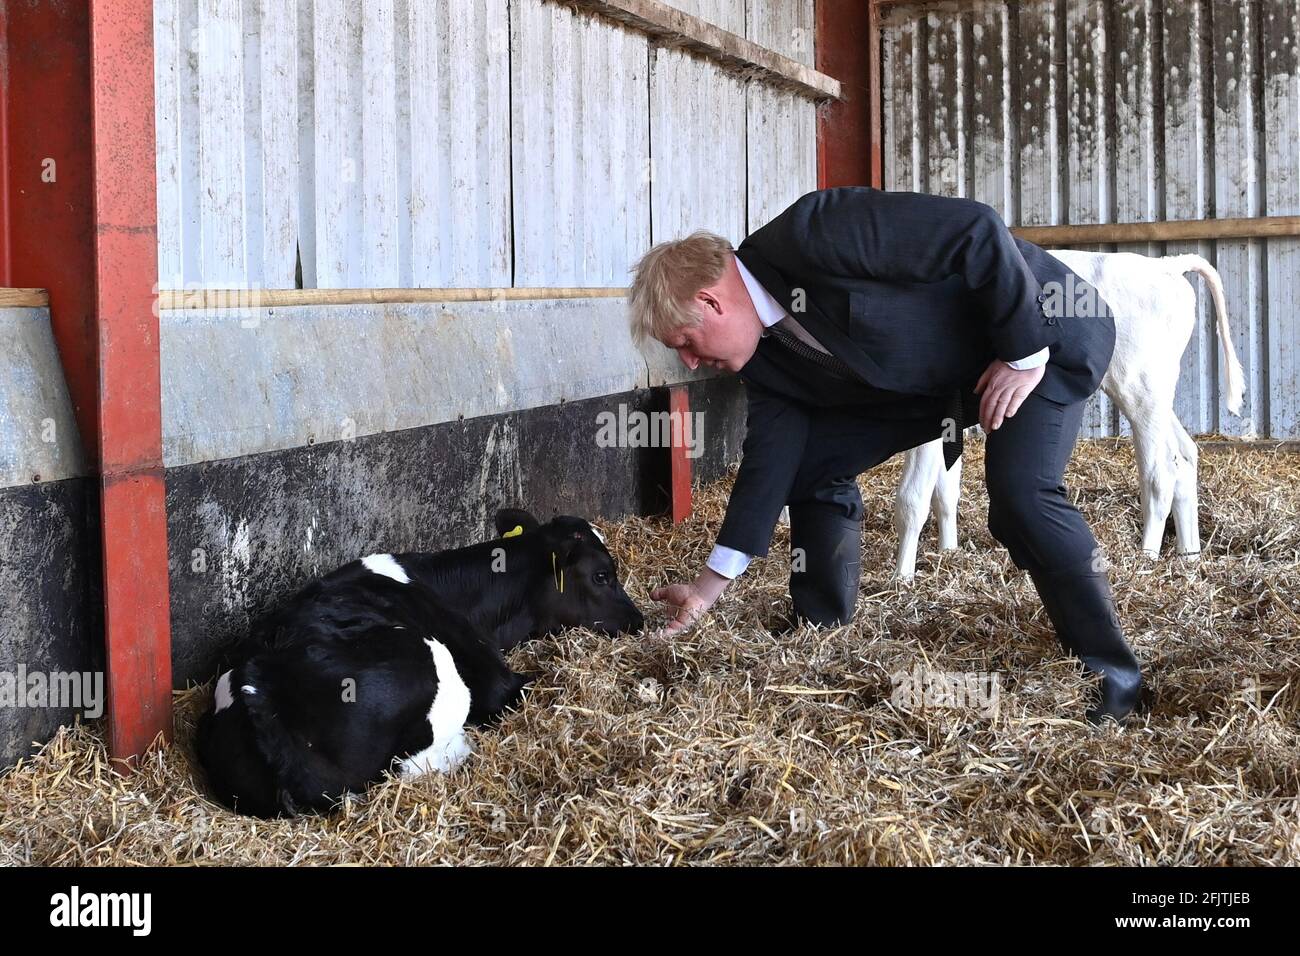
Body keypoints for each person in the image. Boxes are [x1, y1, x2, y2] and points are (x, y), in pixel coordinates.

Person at [627, 187, 1141, 723]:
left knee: (1020, 500)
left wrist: (1022, 352)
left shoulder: (815, 232)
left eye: (685, 341)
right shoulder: (763, 356)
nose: (689, 362)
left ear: (711, 301)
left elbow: (976, 230)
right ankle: (821, 633)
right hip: (939, 385)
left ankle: (1112, 677)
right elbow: (769, 463)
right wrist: (708, 589)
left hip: (1043, 336)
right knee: (810, 465)